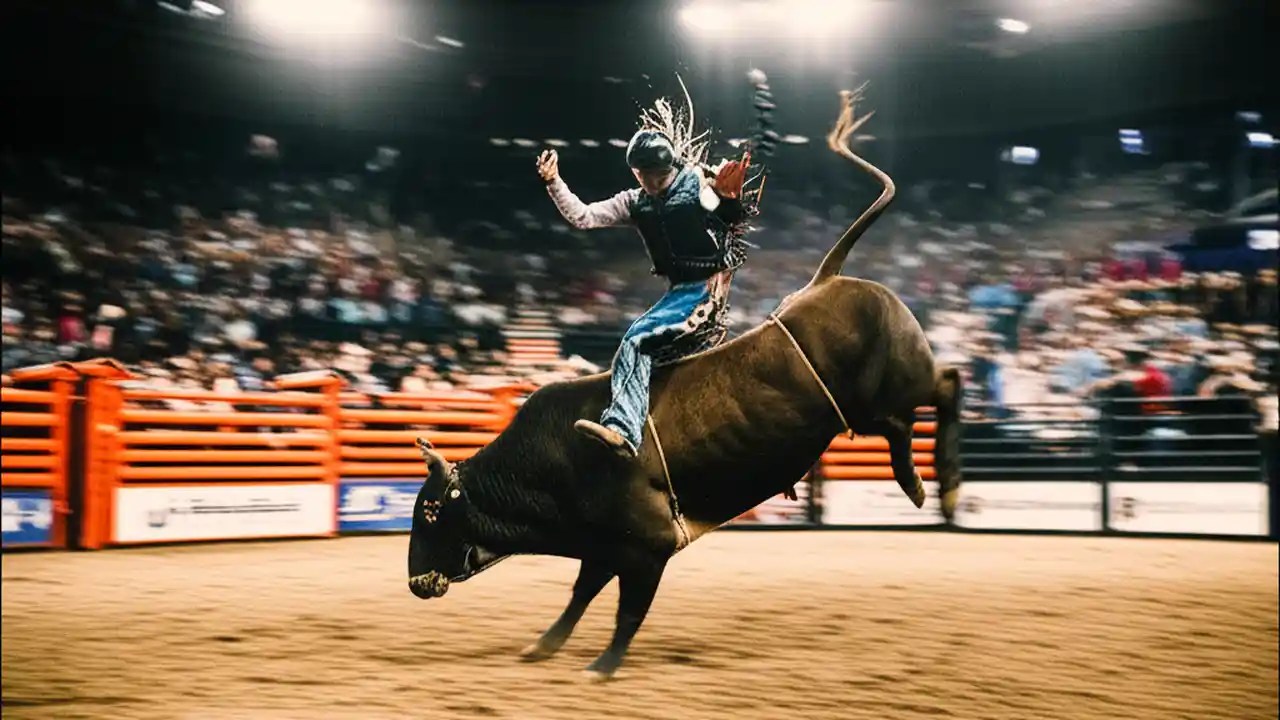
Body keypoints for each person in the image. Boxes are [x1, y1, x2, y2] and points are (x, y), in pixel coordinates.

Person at [536, 128, 755, 458]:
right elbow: (583, 216)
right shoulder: (635, 202)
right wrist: (554, 182)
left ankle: (623, 430)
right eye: (645, 176)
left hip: (705, 290)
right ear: (636, 172)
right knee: (645, 352)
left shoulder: (698, 183)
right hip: (679, 292)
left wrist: (729, 200)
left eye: (660, 175)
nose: (653, 183)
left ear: (670, 168)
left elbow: (728, 220)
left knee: (636, 341)